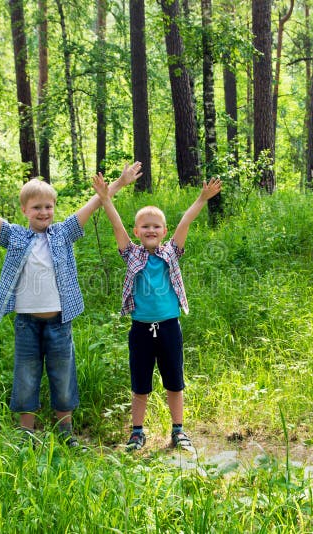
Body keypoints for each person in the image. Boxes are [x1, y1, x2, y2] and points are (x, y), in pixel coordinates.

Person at [0, 162, 142, 448]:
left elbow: (94, 203)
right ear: (24, 210)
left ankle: (66, 432)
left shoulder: (63, 233)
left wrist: (120, 183)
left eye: (48, 207)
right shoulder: (15, 236)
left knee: (63, 375)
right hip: (27, 323)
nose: (44, 212)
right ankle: (26, 434)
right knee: (26, 376)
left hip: (59, 322)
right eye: (37, 207)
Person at [91, 173, 222, 451]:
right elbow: (116, 224)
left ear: (164, 231)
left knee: (174, 381)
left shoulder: (172, 252)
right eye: (145, 226)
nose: (151, 230)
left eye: (156, 226)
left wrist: (202, 199)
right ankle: (137, 432)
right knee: (140, 383)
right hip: (140, 329)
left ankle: (178, 430)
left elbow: (185, 222)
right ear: (137, 232)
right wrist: (105, 198)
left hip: (169, 327)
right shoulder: (131, 254)